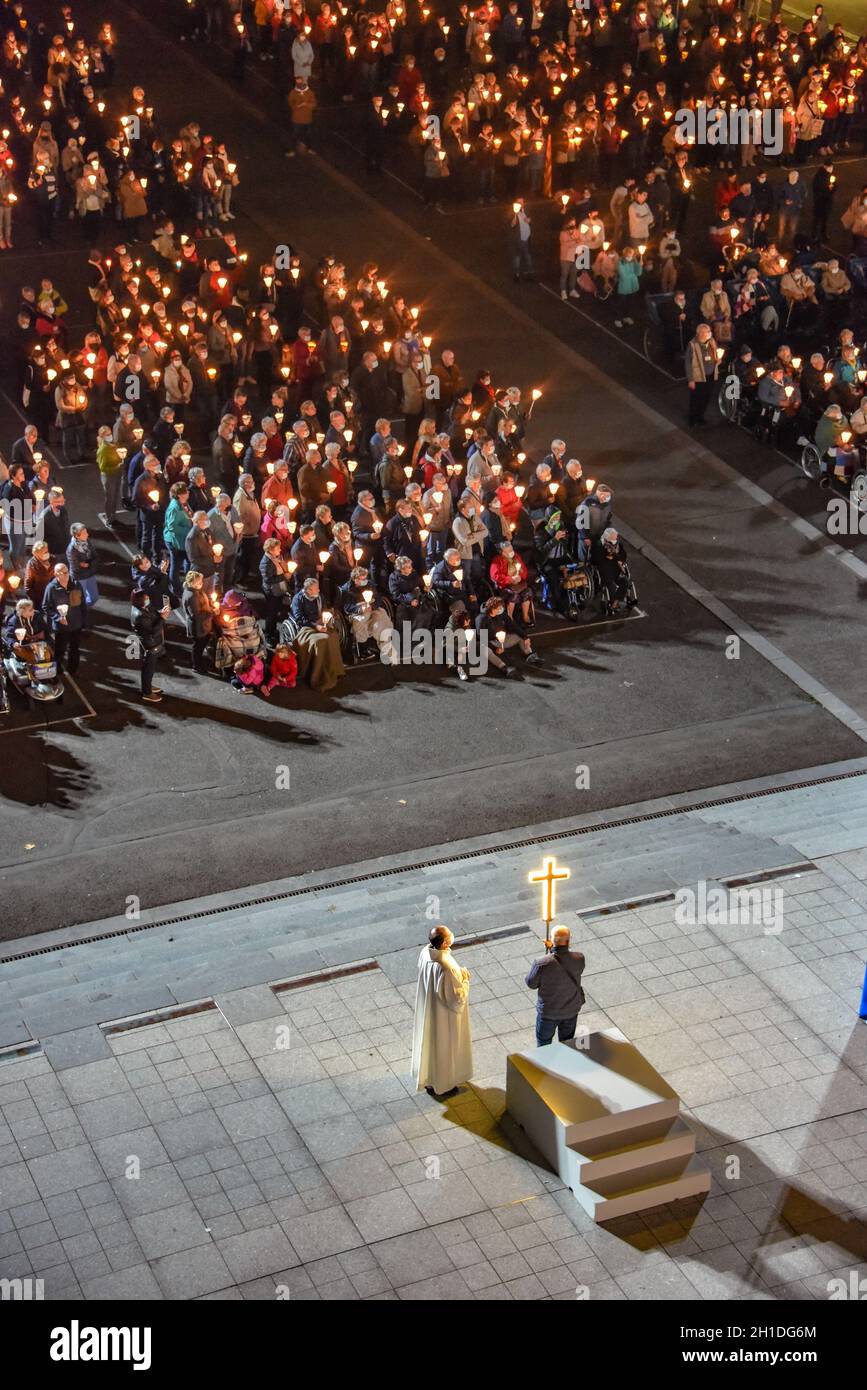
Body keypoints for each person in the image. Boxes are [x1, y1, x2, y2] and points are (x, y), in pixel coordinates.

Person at [410, 924, 473, 1099]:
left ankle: (429, 1078)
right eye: (450, 934)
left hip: (429, 1006)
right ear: (445, 943)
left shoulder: (425, 953)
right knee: (444, 1046)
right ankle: (443, 1084)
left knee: (430, 1043)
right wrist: (465, 979)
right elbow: (456, 998)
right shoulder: (446, 966)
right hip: (444, 1015)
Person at [524, 925, 586, 1047]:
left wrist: (551, 951)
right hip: (571, 1011)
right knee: (567, 1043)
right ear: (569, 940)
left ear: (552, 940)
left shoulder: (541, 963)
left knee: (544, 1044)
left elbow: (531, 983)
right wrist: (553, 949)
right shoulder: (579, 958)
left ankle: (545, 1065)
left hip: (548, 1013)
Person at [131, 588, 168, 703]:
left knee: (150, 669)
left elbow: (154, 616)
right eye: (145, 598)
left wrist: (161, 614)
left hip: (153, 643)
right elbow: (153, 631)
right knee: (148, 669)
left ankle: (148, 686)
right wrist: (162, 619)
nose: (148, 599)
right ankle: (147, 692)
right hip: (149, 645)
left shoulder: (145, 608)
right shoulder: (139, 615)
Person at [181, 569, 214, 673]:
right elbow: (197, 616)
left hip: (203, 625)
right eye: (199, 582)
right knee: (198, 647)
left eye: (201, 581)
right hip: (198, 627)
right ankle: (196, 666)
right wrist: (212, 612)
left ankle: (199, 662)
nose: (202, 584)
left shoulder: (196, 591)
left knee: (202, 643)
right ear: (192, 583)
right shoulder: (191, 596)